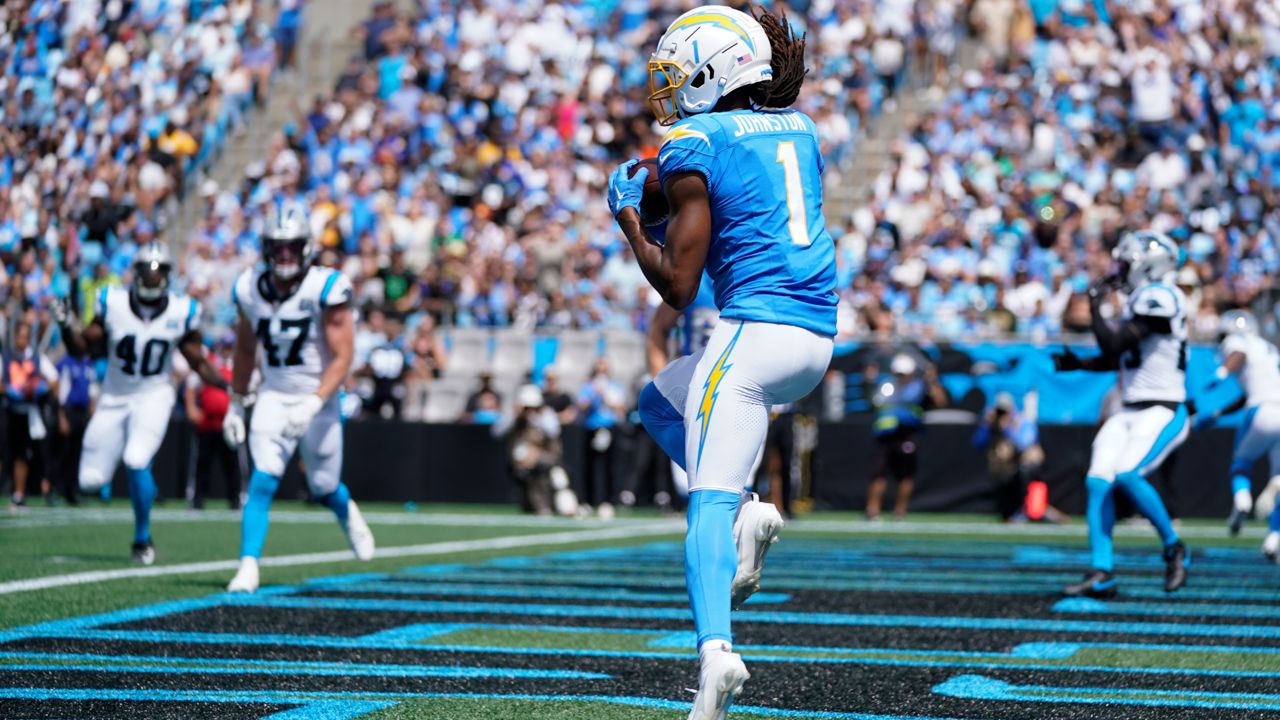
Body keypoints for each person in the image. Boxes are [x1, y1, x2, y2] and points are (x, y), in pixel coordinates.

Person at [609, 7, 836, 716]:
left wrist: (628, 219)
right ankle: (749, 512)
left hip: (752, 336)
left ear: (712, 74)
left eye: (679, 78)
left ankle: (715, 655)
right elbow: (738, 210)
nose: (669, 94)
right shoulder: (799, 129)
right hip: (815, 341)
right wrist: (664, 196)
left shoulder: (696, 139)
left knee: (702, 507)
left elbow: (678, 283)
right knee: (658, 401)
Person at [222, 200, 375, 593]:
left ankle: (346, 511)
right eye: (277, 247)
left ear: (306, 247)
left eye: (291, 246)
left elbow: (343, 357)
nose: (284, 254)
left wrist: (314, 400)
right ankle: (248, 565)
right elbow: (243, 350)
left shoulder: (326, 287)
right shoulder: (249, 287)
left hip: (318, 399)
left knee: (323, 487)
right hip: (273, 394)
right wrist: (237, 402)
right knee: (263, 481)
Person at [55, 244, 230, 564]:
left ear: (166, 276)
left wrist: (228, 386)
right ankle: (140, 495)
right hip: (113, 396)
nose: (151, 280)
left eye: (157, 273)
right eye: (146, 273)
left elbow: (198, 363)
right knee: (90, 481)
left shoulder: (182, 310)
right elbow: (81, 348)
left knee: (136, 459)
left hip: (154, 394)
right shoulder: (114, 303)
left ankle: (142, 538)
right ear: (135, 275)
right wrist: (67, 325)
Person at [1051, 231, 1191, 598]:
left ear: (1148, 265)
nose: (1121, 270)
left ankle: (1174, 547)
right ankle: (1103, 571)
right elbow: (1121, 357)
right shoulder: (1141, 302)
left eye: (1127, 263)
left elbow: (1114, 342)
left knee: (1127, 474)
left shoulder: (1161, 296)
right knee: (1098, 481)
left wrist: (1095, 303)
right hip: (1128, 408)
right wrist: (1078, 364)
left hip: (1162, 408)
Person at [1196, 310, 1280, 553]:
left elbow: (1238, 354)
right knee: (1277, 475)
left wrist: (1221, 373)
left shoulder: (1238, 342)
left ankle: (1242, 500)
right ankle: (1273, 539)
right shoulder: (1268, 348)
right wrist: (1219, 414)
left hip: (1262, 410)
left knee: (1241, 463)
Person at [865, 353, 946, 521]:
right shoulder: (886, 386)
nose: (901, 377)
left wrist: (932, 381)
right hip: (885, 435)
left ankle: (900, 512)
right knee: (877, 473)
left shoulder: (920, 387)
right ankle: (872, 511)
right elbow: (874, 403)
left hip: (907, 433)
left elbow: (940, 402)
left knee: (905, 474)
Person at [3, 320, 57, 507]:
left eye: (26, 336)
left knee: (25, 454)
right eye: (20, 336)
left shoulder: (36, 358)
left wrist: (38, 388)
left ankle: (21, 493)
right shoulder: (6, 357)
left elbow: (53, 380)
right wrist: (10, 389)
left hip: (30, 413)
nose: (22, 340)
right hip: (8, 410)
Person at [184, 336, 241, 510]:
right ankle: (197, 499)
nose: (227, 349)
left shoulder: (240, 365)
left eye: (230, 346)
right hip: (207, 424)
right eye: (225, 345)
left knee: (233, 466)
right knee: (202, 465)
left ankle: (236, 499)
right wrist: (192, 409)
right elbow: (191, 388)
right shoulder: (210, 365)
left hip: (229, 425)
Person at [577, 358, 628, 518]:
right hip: (591, 427)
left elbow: (621, 408)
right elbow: (581, 407)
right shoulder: (588, 387)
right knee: (589, 467)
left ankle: (608, 501)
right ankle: (588, 501)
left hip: (609, 427)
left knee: (609, 467)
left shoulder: (614, 387)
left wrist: (606, 396)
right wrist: (593, 395)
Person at [54, 346, 97, 506]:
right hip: (69, 411)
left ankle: (73, 490)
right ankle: (57, 489)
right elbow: (61, 392)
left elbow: (91, 391)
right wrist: (62, 416)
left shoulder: (87, 364)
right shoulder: (66, 362)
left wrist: (92, 414)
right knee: (64, 452)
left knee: (78, 453)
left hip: (82, 413)